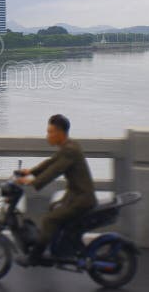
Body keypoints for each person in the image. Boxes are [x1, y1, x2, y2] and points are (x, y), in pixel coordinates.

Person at [14, 114, 97, 267]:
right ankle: (56, 247)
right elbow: (51, 162)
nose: (48, 136)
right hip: (75, 195)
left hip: (81, 199)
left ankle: (34, 257)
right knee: (53, 208)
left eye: (50, 132)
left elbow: (54, 171)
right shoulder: (69, 145)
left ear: (60, 133)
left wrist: (32, 181)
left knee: (49, 220)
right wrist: (30, 172)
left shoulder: (69, 150)